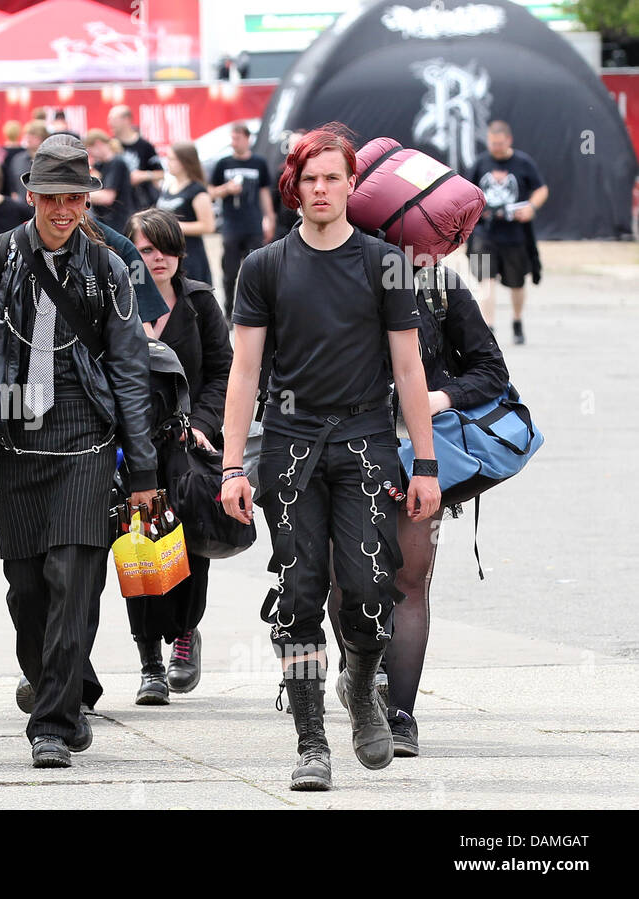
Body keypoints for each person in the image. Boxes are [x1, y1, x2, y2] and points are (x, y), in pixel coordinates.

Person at [219, 125, 441, 791]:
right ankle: (311, 740)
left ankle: (362, 680)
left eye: (332, 178)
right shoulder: (264, 267)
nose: (321, 189)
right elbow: (244, 373)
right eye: (309, 179)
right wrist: (233, 465)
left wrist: (425, 464)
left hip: (368, 443)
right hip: (289, 447)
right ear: (295, 187)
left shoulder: (384, 264)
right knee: (299, 594)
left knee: (374, 589)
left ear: (351, 184)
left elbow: (409, 369)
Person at [0, 134, 157, 769]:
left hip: (88, 440)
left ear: (89, 200)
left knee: (73, 576)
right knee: (26, 589)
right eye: (52, 198)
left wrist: (141, 469)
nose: (64, 210)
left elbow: (131, 370)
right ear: (30, 196)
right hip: (19, 443)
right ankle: (65, 686)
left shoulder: (111, 265)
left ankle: (53, 723)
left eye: (76, 199)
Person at [327, 261, 508, 757]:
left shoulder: (435, 283)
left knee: (407, 581)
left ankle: (401, 715)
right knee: (343, 580)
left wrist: (437, 398)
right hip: (335, 451)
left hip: (416, 455)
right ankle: (365, 684)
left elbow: (491, 371)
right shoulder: (315, 266)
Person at [123, 208, 231, 703]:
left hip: (189, 444)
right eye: (145, 249)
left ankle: (185, 637)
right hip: (131, 445)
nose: (156, 258)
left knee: (190, 544)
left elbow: (223, 372)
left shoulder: (200, 302)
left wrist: (204, 426)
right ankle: (148, 659)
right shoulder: (118, 302)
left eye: (165, 248)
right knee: (140, 547)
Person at [465, 120, 548, 344]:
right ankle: (489, 327)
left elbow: (541, 189)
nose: (496, 148)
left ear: (508, 140)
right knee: (485, 279)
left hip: (514, 235)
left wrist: (530, 207)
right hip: (485, 233)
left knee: (517, 283)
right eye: (492, 143)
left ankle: (517, 320)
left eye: (500, 143)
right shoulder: (480, 163)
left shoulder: (523, 163)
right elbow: (466, 190)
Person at [209, 122, 274, 319]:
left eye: (237, 138)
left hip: (253, 223)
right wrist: (226, 189)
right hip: (231, 225)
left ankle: (254, 310)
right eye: (232, 138)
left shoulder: (258, 163)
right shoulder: (224, 164)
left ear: (247, 139)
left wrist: (269, 217)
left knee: (255, 269)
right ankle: (228, 312)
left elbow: (264, 192)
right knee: (230, 272)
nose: (234, 142)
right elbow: (210, 191)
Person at [156, 141, 216, 285]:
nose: (167, 163)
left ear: (184, 162)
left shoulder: (197, 190)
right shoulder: (169, 186)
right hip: (168, 253)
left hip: (190, 256)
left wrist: (172, 226)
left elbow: (208, 226)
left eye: (171, 159)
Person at [108, 105, 163, 211]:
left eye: (114, 119)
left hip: (141, 203)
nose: (110, 123)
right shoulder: (111, 145)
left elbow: (161, 173)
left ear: (126, 120)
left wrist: (143, 175)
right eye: (109, 119)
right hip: (118, 206)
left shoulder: (145, 146)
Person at [84, 129, 134, 234]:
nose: (91, 155)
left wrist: (79, 195)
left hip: (118, 222)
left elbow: (107, 197)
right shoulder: (99, 165)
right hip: (105, 222)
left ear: (98, 143)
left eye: (90, 150)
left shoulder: (117, 163)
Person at [6, 121, 49, 203]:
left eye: (34, 136)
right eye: (28, 135)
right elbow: (11, 183)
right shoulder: (17, 159)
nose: (29, 138)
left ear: (43, 138)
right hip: (22, 207)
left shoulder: (52, 160)